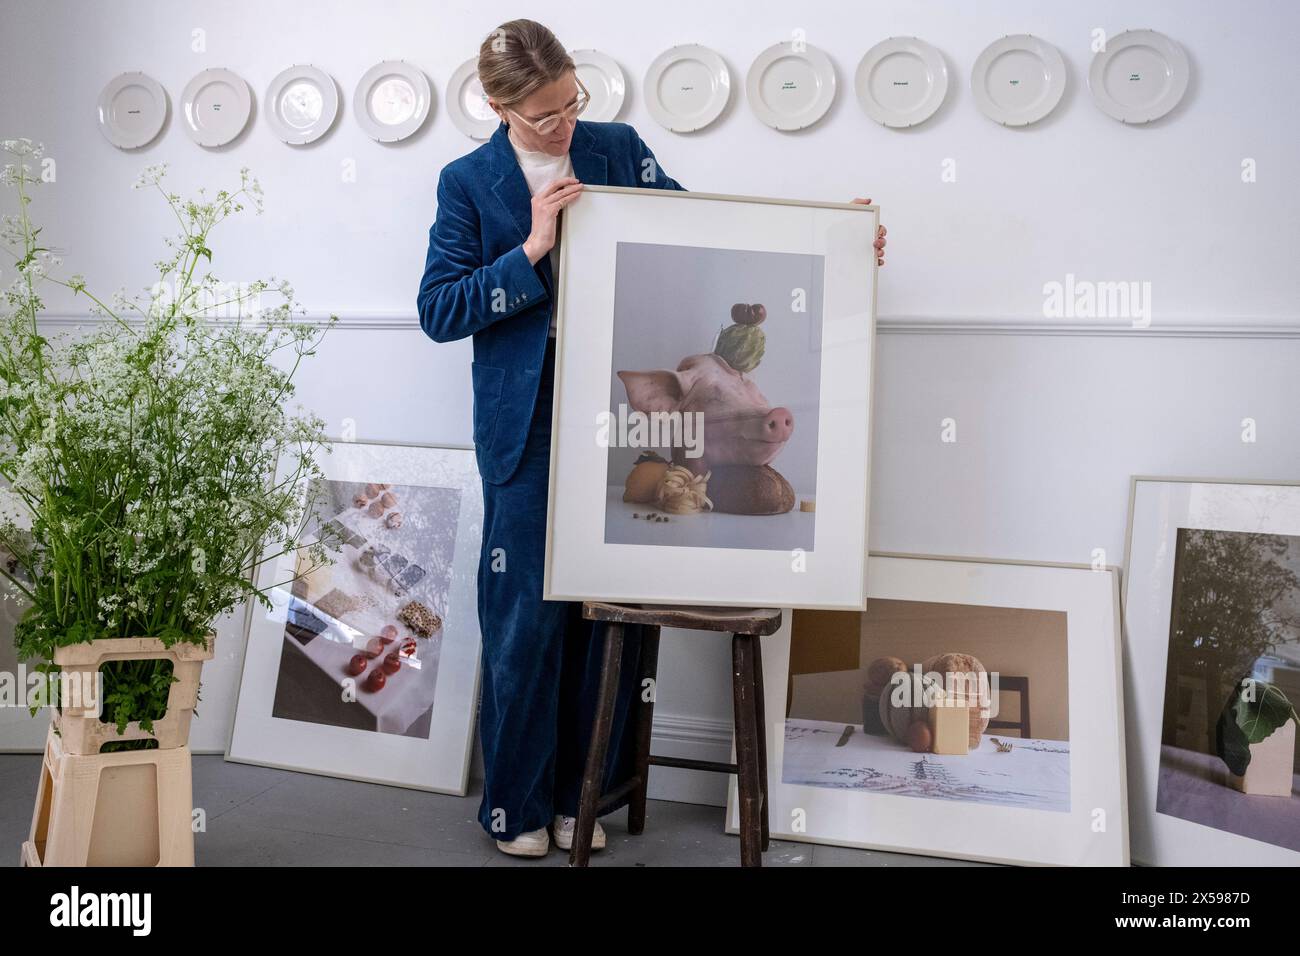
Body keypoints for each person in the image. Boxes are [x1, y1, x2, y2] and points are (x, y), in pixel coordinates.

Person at [417, 19, 886, 858]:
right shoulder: (467, 182)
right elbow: (440, 312)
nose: (562, 124)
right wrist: (530, 249)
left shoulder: (616, 146)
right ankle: (513, 808)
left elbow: (703, 229)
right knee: (524, 617)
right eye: (542, 115)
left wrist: (836, 240)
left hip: (625, 413)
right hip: (524, 422)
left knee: (606, 614)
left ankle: (579, 798)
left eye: (571, 103)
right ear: (495, 105)